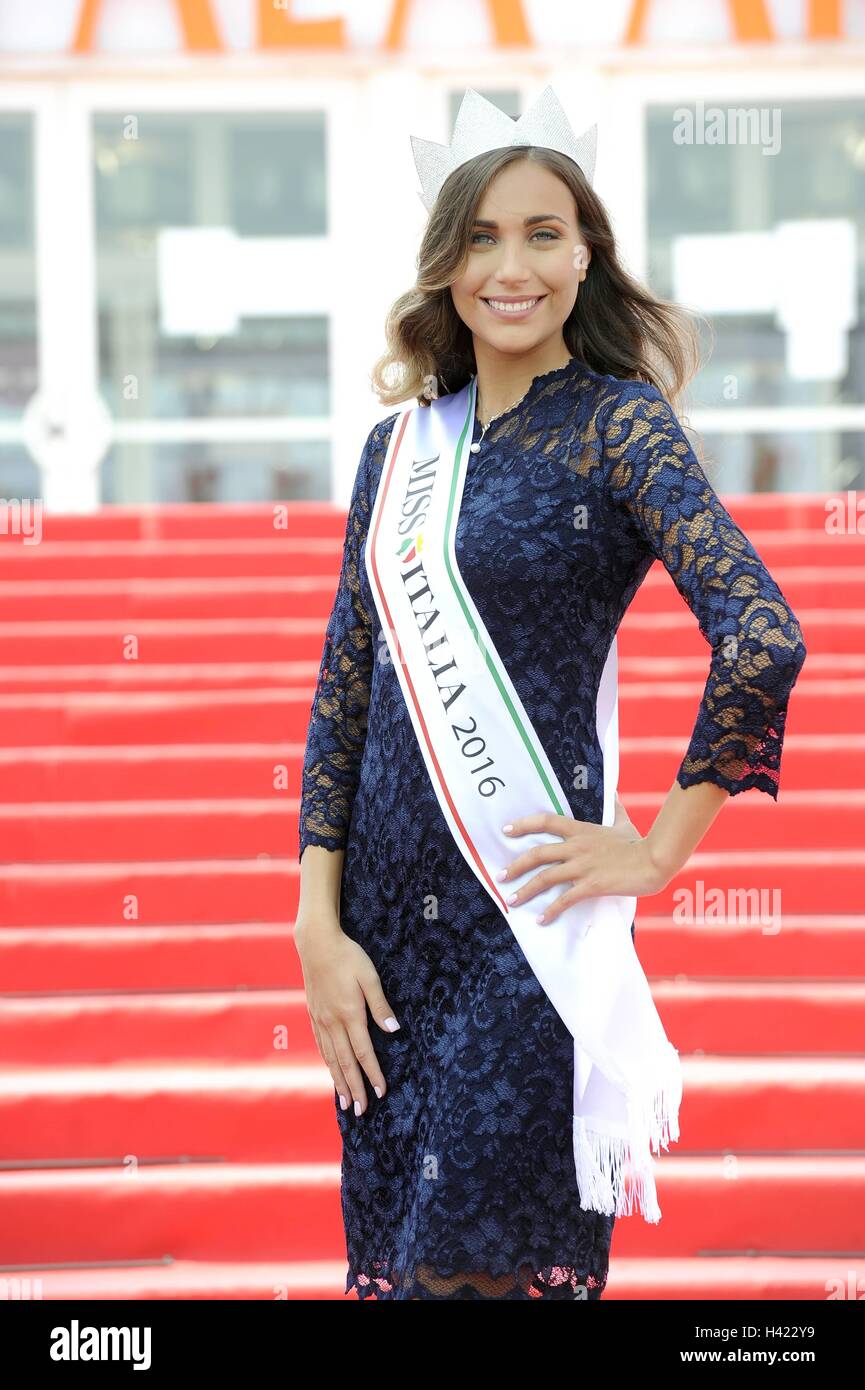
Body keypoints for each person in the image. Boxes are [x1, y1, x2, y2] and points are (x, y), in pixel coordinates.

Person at [294, 88, 808, 1300]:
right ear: (444, 263)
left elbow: (762, 635)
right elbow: (344, 692)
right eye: (479, 235)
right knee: (405, 1268)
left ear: (587, 256)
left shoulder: (618, 427)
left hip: (529, 918)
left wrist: (657, 850)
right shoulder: (398, 450)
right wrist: (315, 925)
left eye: (541, 232)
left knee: (474, 1271)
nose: (509, 264)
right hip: (377, 941)